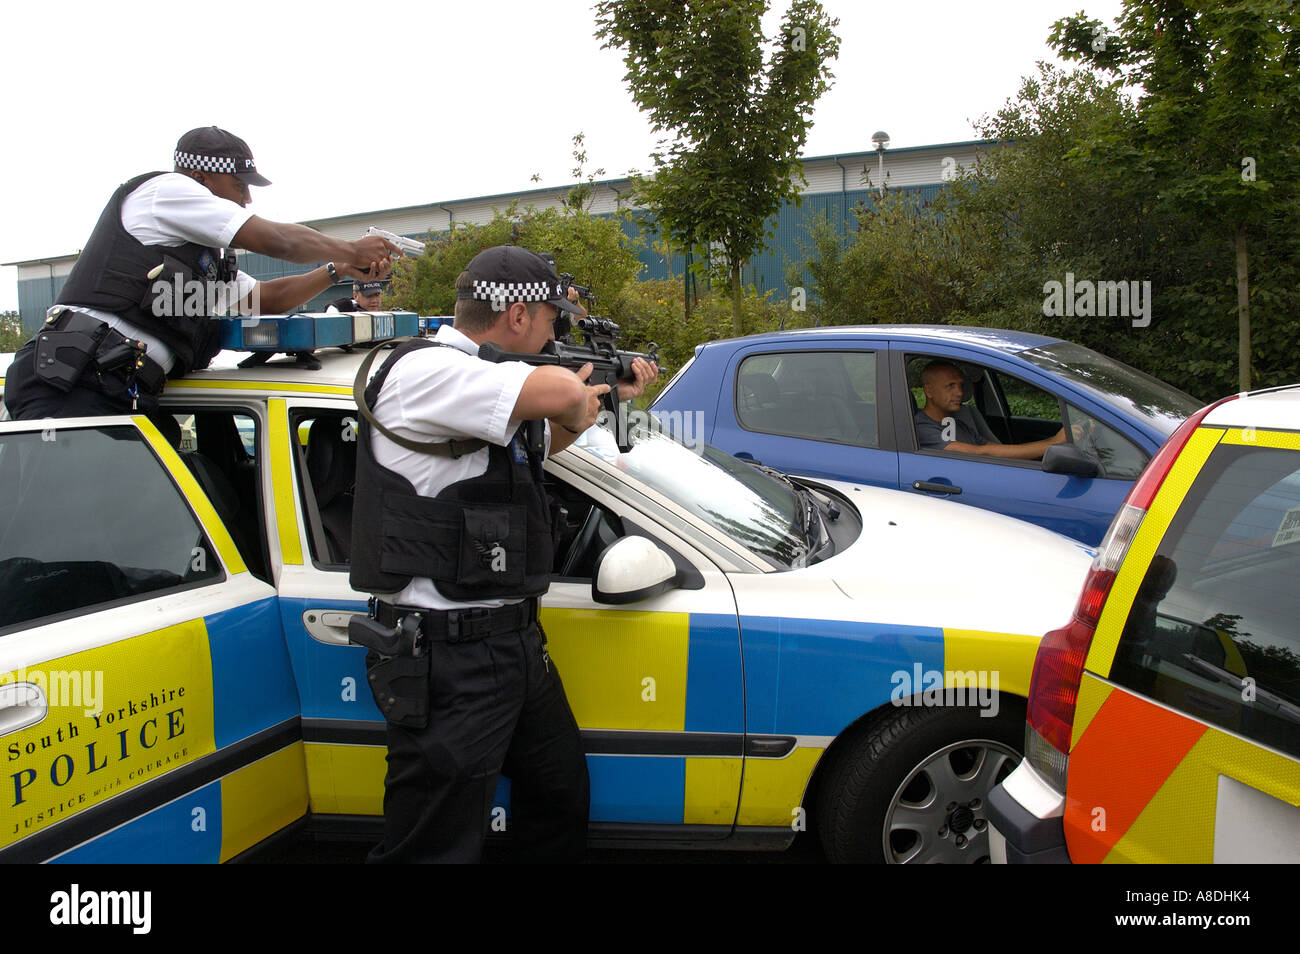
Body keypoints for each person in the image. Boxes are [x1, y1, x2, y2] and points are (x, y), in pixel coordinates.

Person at [349, 245, 656, 863]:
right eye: (552, 320)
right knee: (431, 841)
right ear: (517, 314)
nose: (554, 334)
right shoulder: (426, 371)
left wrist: (607, 393)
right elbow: (552, 389)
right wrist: (577, 381)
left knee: (558, 797)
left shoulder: (486, 385)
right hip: (448, 652)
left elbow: (544, 442)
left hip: (512, 644)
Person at [3, 126, 400, 421]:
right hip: (70, 386)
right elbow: (278, 241)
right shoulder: (166, 191)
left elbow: (268, 299)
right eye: (239, 184)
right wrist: (350, 247)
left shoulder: (205, 261)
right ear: (200, 178)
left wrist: (335, 270)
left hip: (121, 391)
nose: (246, 198)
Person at [914, 359, 1080, 459]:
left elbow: (997, 449)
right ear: (928, 391)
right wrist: (1053, 443)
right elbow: (981, 453)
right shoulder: (921, 428)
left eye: (960, 385)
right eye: (950, 386)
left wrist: (1052, 443)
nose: (960, 392)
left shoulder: (957, 423)